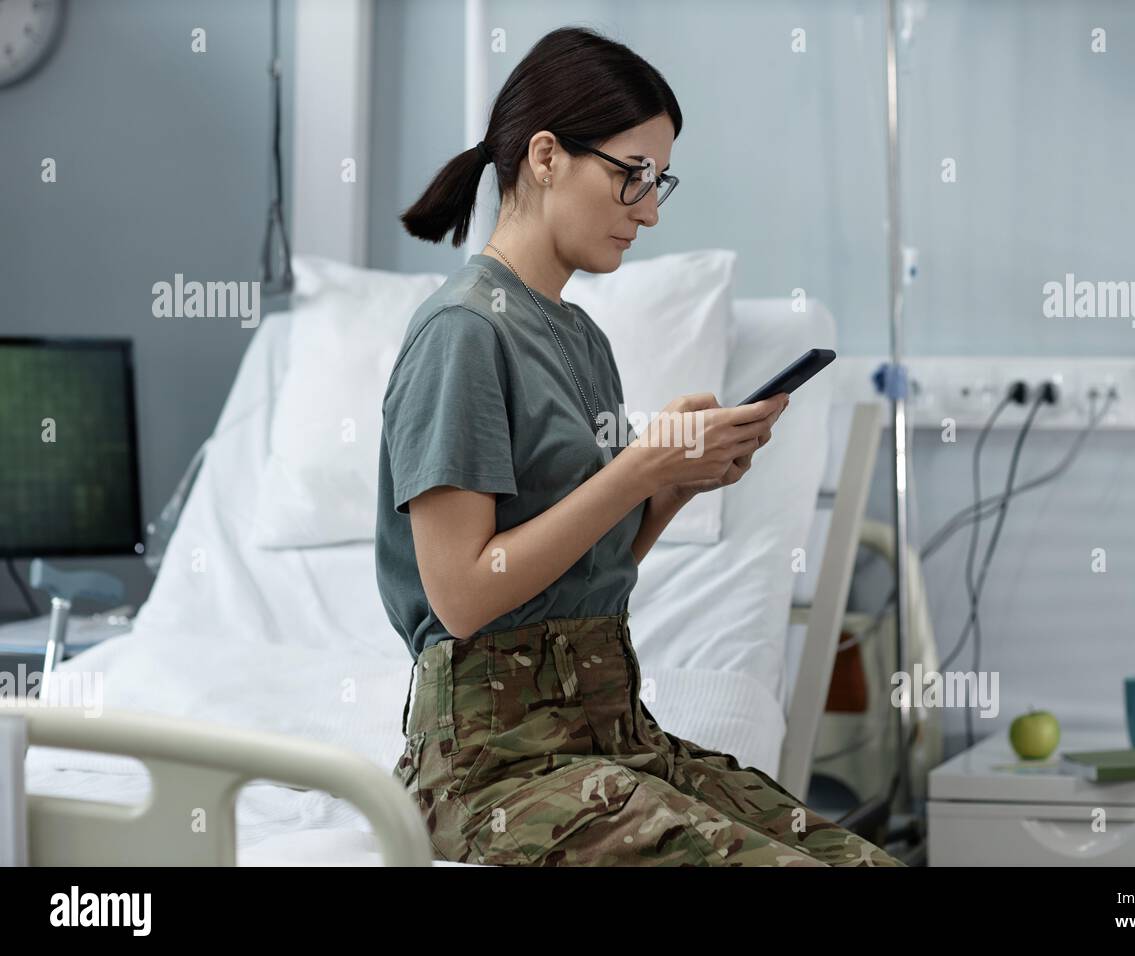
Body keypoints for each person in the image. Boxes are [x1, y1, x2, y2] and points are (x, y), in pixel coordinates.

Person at [377, 25, 901, 867]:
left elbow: (582, 577)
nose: (650, 211)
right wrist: (637, 469)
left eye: (661, 184)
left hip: (609, 734)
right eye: (632, 178)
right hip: (493, 772)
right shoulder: (462, 334)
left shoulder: (581, 339)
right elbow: (465, 598)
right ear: (546, 156)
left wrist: (672, 489)